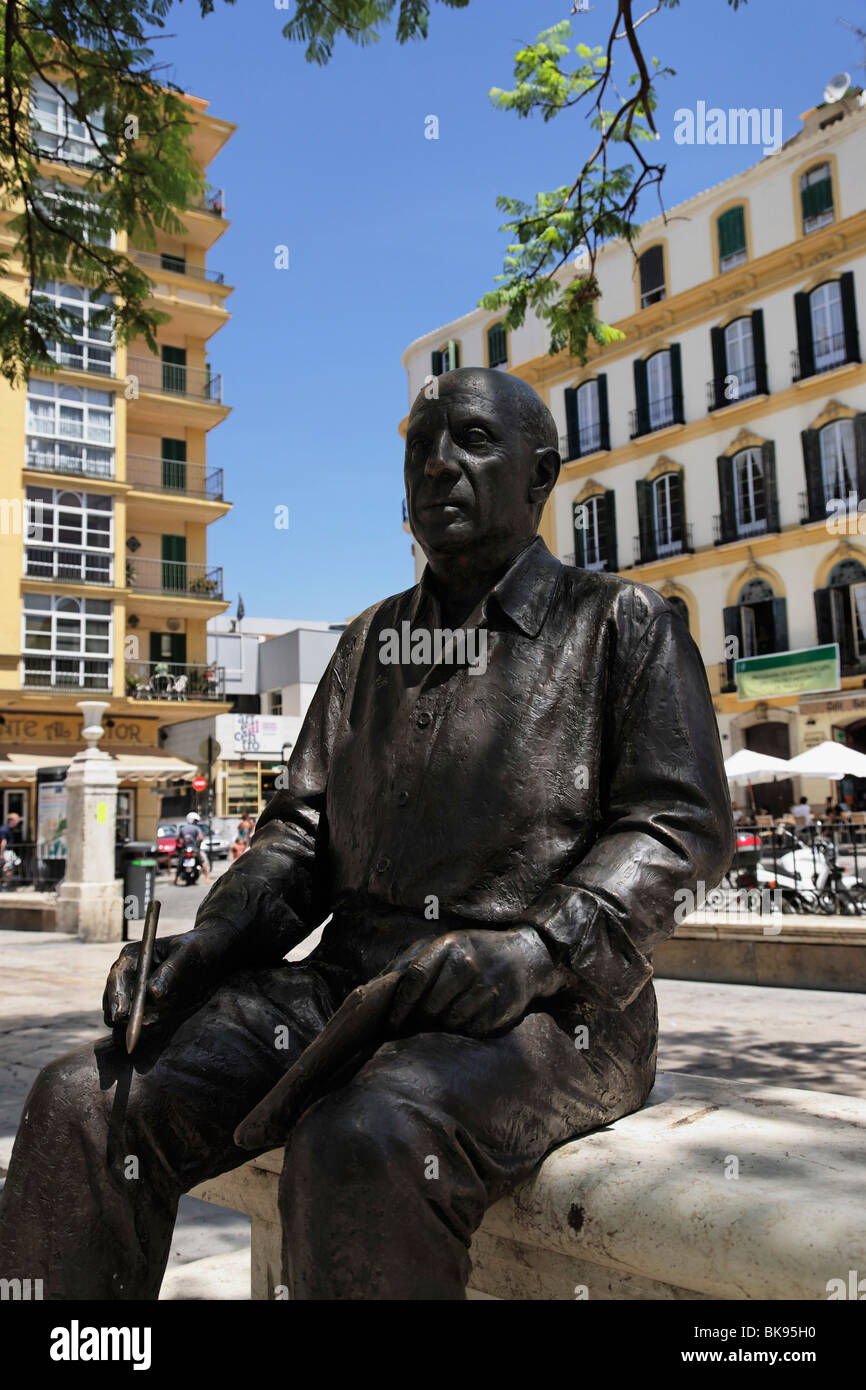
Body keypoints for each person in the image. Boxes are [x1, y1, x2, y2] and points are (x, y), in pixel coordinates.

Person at [0, 368, 733, 1300]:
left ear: (541, 474)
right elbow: (298, 839)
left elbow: (681, 829)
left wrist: (539, 946)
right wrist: (208, 943)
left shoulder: (624, 627)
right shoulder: (366, 647)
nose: (438, 465)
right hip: (347, 992)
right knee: (81, 1101)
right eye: (420, 445)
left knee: (363, 1138)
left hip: (554, 1017)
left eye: (472, 441)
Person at [173, 811, 210, 885]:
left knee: (179, 865)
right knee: (203, 862)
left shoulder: (183, 828)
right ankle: (207, 877)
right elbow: (201, 838)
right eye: (196, 820)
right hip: (195, 850)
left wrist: (179, 844)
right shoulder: (196, 828)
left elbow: (177, 839)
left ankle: (176, 879)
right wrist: (198, 845)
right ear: (192, 820)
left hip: (185, 850)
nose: (197, 822)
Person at [0, 812, 21, 891]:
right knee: (8, 868)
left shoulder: (10, 829)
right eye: (17, 819)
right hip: (6, 852)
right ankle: (3, 885)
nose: (18, 821)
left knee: (12, 866)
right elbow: (3, 842)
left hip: (8, 852)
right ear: (11, 820)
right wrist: (2, 854)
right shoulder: (4, 829)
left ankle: (3, 884)